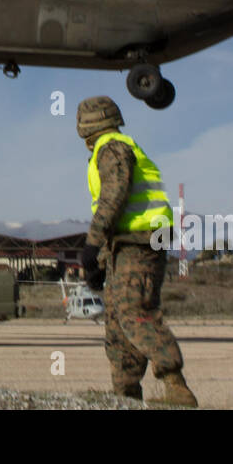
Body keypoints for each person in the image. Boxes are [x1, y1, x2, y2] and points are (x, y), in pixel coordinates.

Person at [76, 95, 197, 406]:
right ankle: (126, 396)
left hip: (141, 242)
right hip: (127, 245)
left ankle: (176, 387)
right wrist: (101, 259)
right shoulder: (113, 147)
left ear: (86, 129)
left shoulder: (112, 148)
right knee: (117, 323)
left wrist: (92, 243)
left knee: (133, 313)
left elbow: (114, 196)